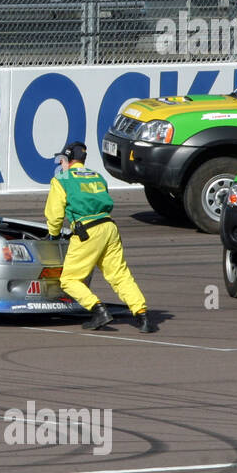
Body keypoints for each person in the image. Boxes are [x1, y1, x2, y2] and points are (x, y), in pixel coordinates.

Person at [45, 141, 158, 333]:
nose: (60, 164)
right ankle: (142, 315)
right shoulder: (97, 177)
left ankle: (98, 310)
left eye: (62, 160)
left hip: (87, 231)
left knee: (69, 280)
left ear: (68, 159)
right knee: (120, 275)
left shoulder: (62, 179)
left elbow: (55, 214)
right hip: (109, 227)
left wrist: (53, 235)